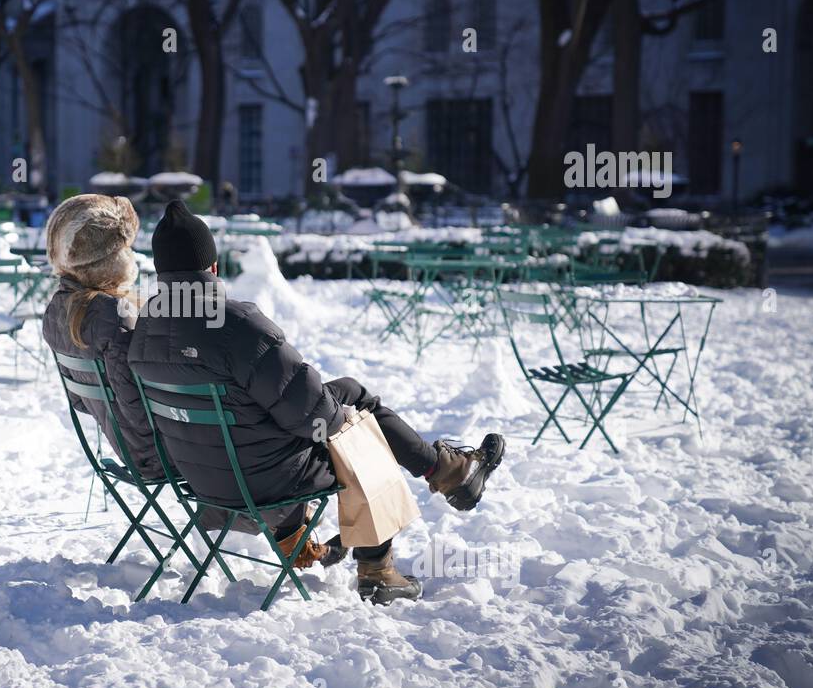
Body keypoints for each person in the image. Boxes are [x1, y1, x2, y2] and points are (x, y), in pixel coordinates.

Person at [126, 200, 505, 607]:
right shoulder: (236, 325)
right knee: (363, 429)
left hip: (208, 481)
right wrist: (341, 414)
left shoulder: (144, 329)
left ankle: (446, 472)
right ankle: (381, 566)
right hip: (269, 480)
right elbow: (315, 416)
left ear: (163, 275)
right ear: (213, 268)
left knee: (349, 393)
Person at [41, 194, 160, 480]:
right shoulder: (115, 313)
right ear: (116, 260)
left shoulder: (57, 310)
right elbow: (140, 415)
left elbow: (80, 402)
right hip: (156, 454)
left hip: (123, 445)